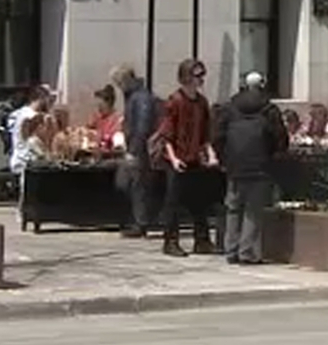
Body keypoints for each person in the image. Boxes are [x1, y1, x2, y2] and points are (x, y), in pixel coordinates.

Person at [213, 70, 289, 265]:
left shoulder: (230, 108)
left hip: (234, 166)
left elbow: (217, 136)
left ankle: (230, 250)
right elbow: (280, 137)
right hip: (260, 166)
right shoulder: (269, 109)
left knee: (233, 208)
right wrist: (273, 156)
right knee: (252, 211)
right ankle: (247, 252)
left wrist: (224, 159)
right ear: (262, 85)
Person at [152, 58, 215, 257]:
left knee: (200, 201)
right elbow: (167, 134)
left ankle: (202, 241)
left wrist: (211, 155)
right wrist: (173, 158)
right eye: (197, 75)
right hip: (177, 159)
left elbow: (206, 134)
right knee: (173, 202)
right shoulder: (175, 101)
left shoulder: (202, 102)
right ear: (186, 77)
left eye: (202, 75)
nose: (201, 79)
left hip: (194, 157)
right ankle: (170, 242)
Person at [113, 65, 161, 239]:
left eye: (119, 83)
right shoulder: (136, 96)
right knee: (132, 183)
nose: (119, 87)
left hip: (139, 149)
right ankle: (140, 220)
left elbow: (142, 125)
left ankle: (141, 222)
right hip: (136, 146)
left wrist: (133, 149)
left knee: (136, 184)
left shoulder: (140, 97)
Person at [87, 84, 125, 154]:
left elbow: (118, 146)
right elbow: (89, 131)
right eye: (97, 106)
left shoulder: (118, 120)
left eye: (101, 106)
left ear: (110, 103)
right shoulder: (98, 118)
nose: (99, 110)